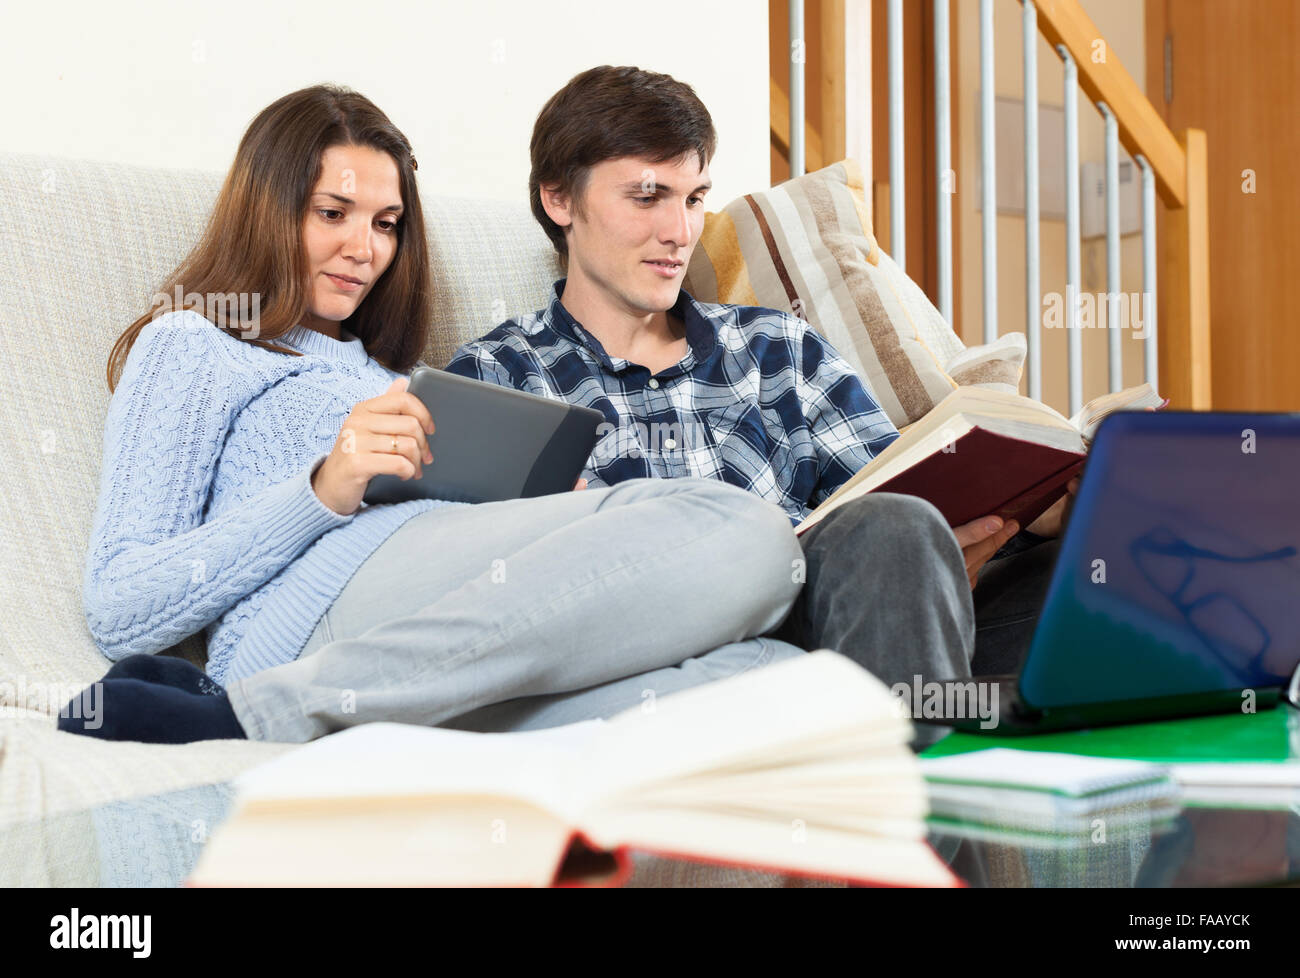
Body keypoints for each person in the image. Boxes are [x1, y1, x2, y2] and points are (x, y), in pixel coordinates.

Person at [58, 83, 810, 746]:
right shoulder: (196, 341)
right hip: (311, 619)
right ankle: (258, 715)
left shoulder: (392, 377)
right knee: (746, 531)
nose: (364, 249)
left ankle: (375, 736)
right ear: (268, 208)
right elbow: (122, 610)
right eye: (333, 213)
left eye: (386, 224)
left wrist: (548, 518)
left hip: (436, 632)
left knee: (781, 678)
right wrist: (323, 488)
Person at [444, 65, 1069, 710]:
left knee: (1071, 570)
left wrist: (1017, 518)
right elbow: (481, 593)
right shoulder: (499, 379)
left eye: (692, 199)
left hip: (851, 611)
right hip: (678, 653)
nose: (681, 233)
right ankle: (935, 756)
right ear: (559, 201)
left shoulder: (778, 347)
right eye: (647, 197)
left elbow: (891, 494)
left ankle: (962, 729)